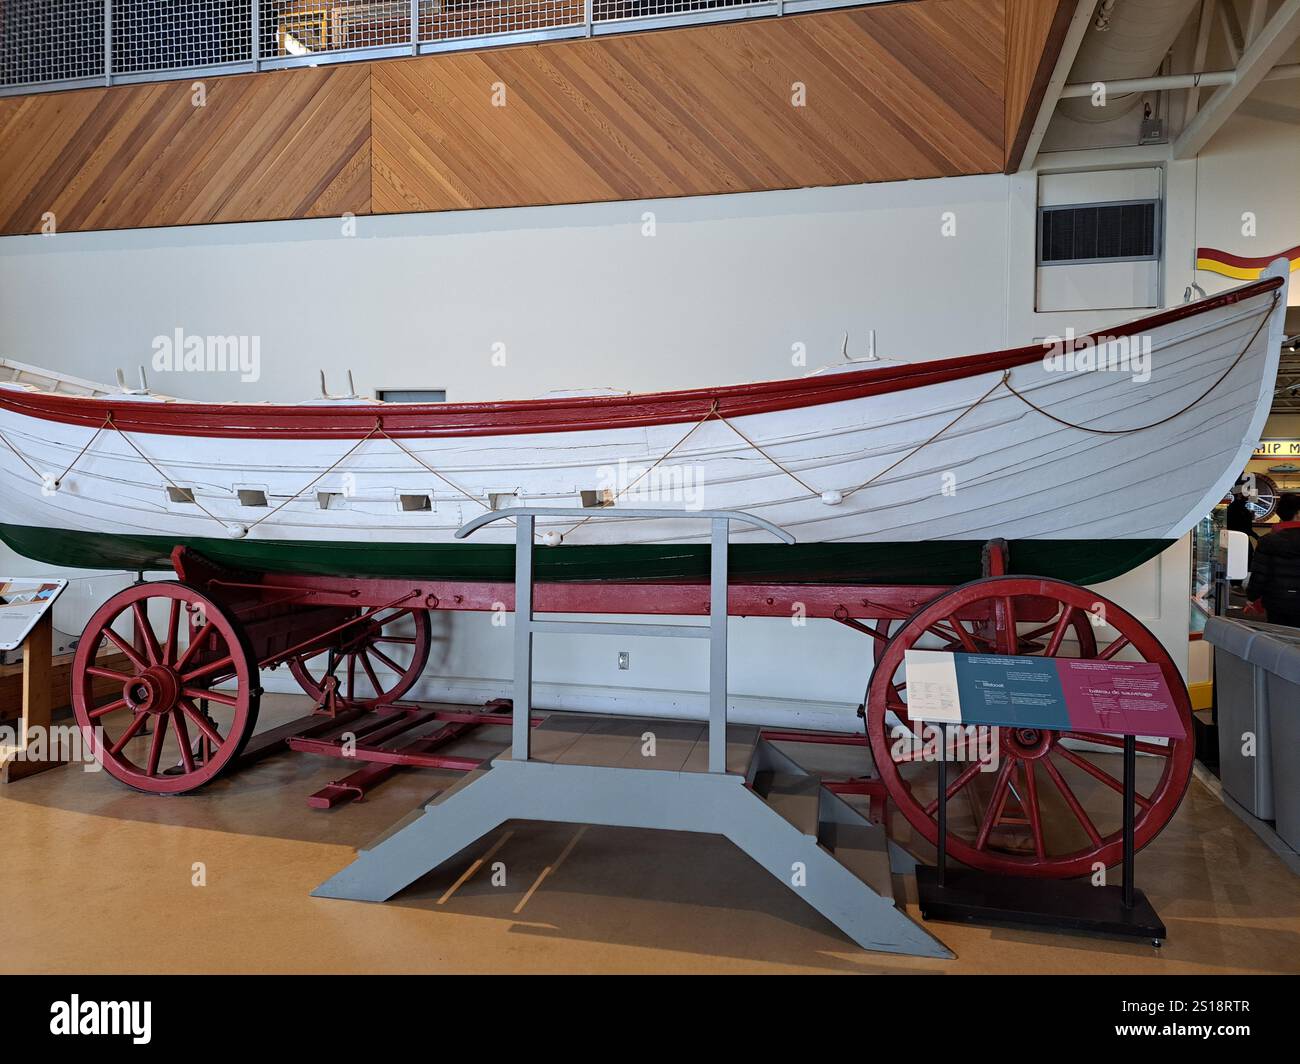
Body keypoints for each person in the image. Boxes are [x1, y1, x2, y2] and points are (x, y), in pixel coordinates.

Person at [1246, 493, 1300, 627]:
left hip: (1276, 601)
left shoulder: (1267, 541)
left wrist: (1252, 597)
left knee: (1278, 640)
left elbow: (1259, 575)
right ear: (1298, 513)